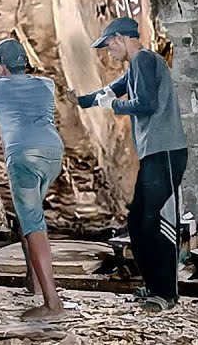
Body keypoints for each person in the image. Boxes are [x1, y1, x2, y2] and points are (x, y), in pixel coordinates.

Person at [76, 17, 187, 312]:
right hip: (153, 153)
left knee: (158, 221)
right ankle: (153, 286)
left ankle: (166, 294)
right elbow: (114, 88)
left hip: (165, 151)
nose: (108, 53)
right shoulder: (136, 66)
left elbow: (146, 104)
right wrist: (80, 100)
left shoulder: (144, 60)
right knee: (138, 222)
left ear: (121, 39)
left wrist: (113, 106)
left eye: (109, 46)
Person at [0, 38, 66, 319]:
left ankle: (52, 303)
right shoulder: (46, 85)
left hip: (23, 156)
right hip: (53, 154)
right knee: (29, 217)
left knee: (33, 223)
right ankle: (33, 281)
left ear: (2, 67)